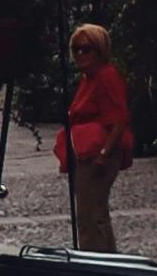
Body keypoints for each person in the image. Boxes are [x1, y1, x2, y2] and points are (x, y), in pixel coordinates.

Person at [56, 18, 137, 255]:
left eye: (87, 48)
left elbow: (119, 118)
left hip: (98, 153)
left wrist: (104, 152)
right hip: (86, 152)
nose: (81, 53)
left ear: (100, 50)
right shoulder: (89, 79)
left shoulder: (106, 77)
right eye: (76, 48)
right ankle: (106, 260)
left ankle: (95, 259)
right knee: (93, 212)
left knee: (91, 215)